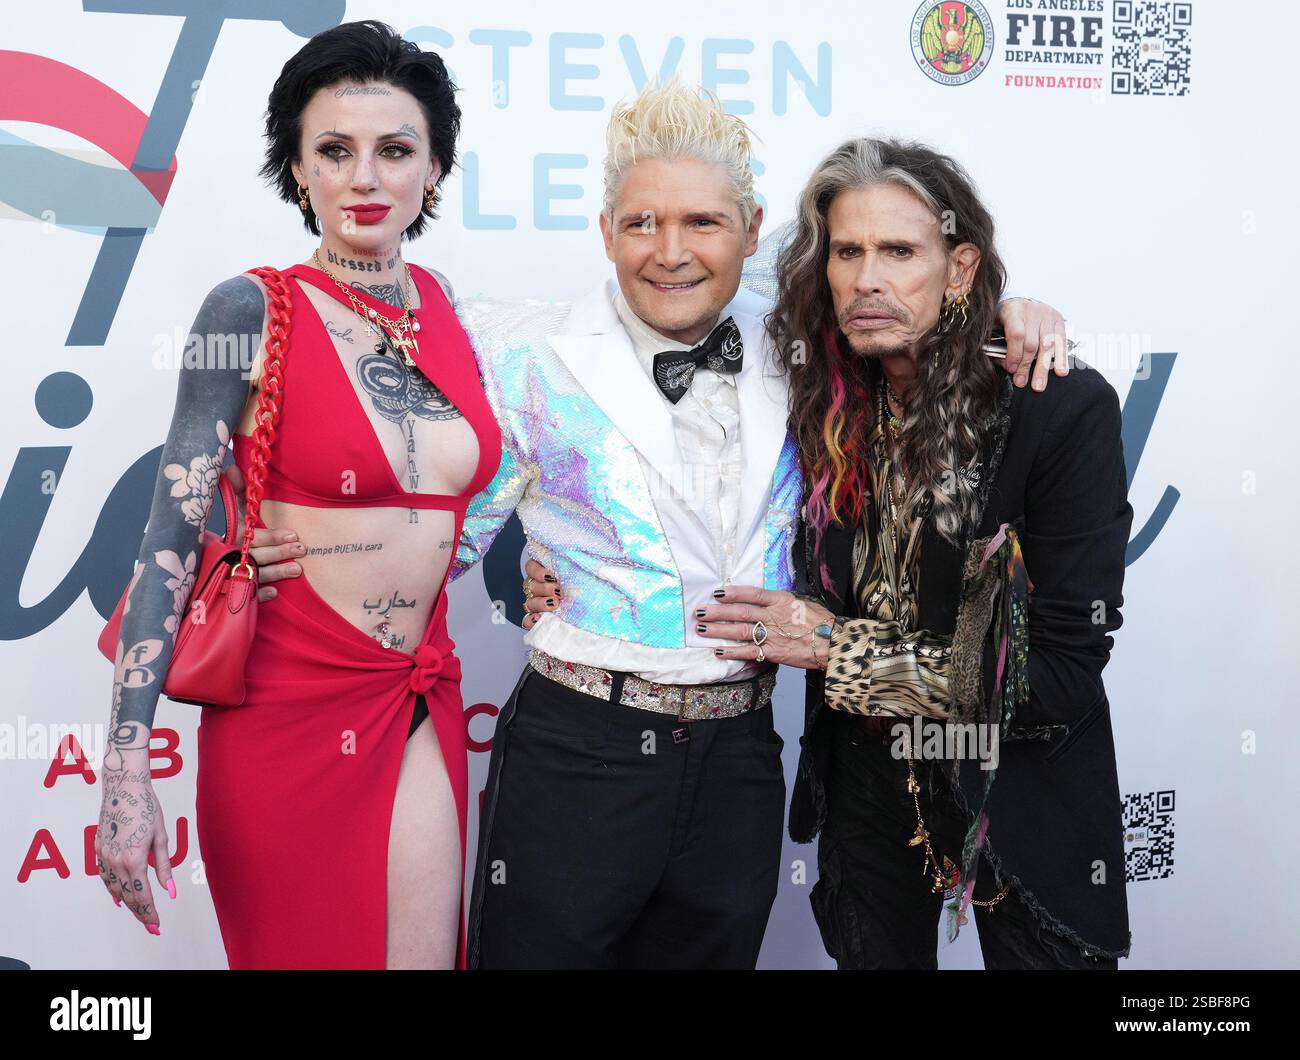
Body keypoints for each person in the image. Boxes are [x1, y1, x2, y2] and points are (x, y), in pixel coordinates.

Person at [248, 80, 1071, 969]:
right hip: (577, 751)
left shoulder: (812, 344)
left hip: (741, 759)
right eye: (641, 224)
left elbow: (921, 322)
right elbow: (430, 519)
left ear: (753, 233)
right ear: (606, 233)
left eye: (704, 225)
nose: (669, 254)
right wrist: (297, 555)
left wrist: (1011, 314)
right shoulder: (520, 353)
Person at [94, 20, 501, 969]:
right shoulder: (249, 308)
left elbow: (463, 494)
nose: (366, 177)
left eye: (395, 150)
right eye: (335, 150)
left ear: (433, 170)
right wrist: (124, 768)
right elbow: (167, 537)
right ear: (297, 167)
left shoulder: (447, 310)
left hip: (414, 696)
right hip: (283, 706)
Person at [695, 137, 1132, 968]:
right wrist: (564, 562)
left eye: (899, 251)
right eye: (847, 251)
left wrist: (839, 650)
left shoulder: (1054, 406)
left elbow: (1063, 673)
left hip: (1016, 789)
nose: (867, 278)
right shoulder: (812, 397)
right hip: (864, 782)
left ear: (959, 268)